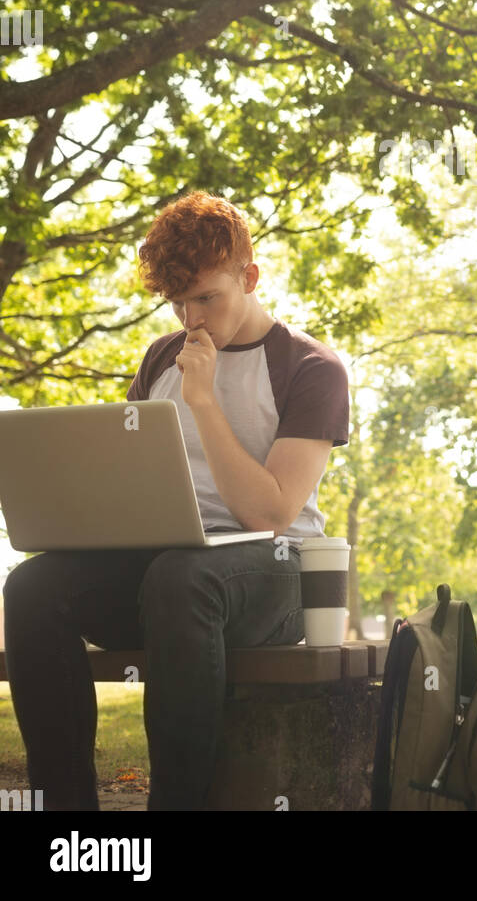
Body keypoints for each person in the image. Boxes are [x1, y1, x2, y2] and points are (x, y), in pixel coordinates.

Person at [2, 191, 350, 811]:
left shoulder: (311, 368)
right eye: (177, 301)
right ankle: (67, 821)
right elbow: (130, 477)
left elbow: (269, 514)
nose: (191, 317)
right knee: (32, 587)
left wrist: (205, 402)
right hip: (169, 575)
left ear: (249, 276)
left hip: (275, 578)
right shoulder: (162, 356)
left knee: (179, 576)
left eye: (206, 297)